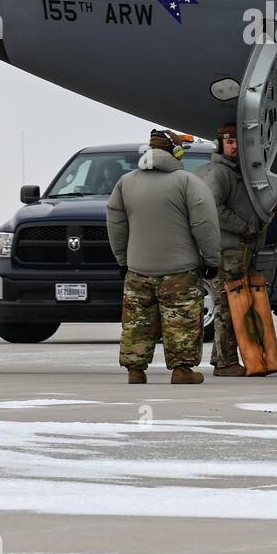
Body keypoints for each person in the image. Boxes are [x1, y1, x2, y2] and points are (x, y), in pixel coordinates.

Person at [106, 129, 220, 384]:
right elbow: (204, 224)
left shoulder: (126, 182)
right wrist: (212, 260)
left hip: (138, 270)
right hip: (179, 271)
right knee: (181, 321)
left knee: (137, 322)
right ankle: (182, 370)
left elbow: (116, 224)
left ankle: (135, 371)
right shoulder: (187, 182)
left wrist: (123, 260)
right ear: (175, 152)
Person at [196, 122, 263, 377]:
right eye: (230, 142)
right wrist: (245, 227)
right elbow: (214, 208)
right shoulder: (219, 173)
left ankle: (221, 359)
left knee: (234, 305)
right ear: (220, 144)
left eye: (237, 142)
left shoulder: (236, 173)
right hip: (227, 251)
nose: (234, 147)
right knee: (228, 306)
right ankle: (226, 363)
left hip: (238, 251)